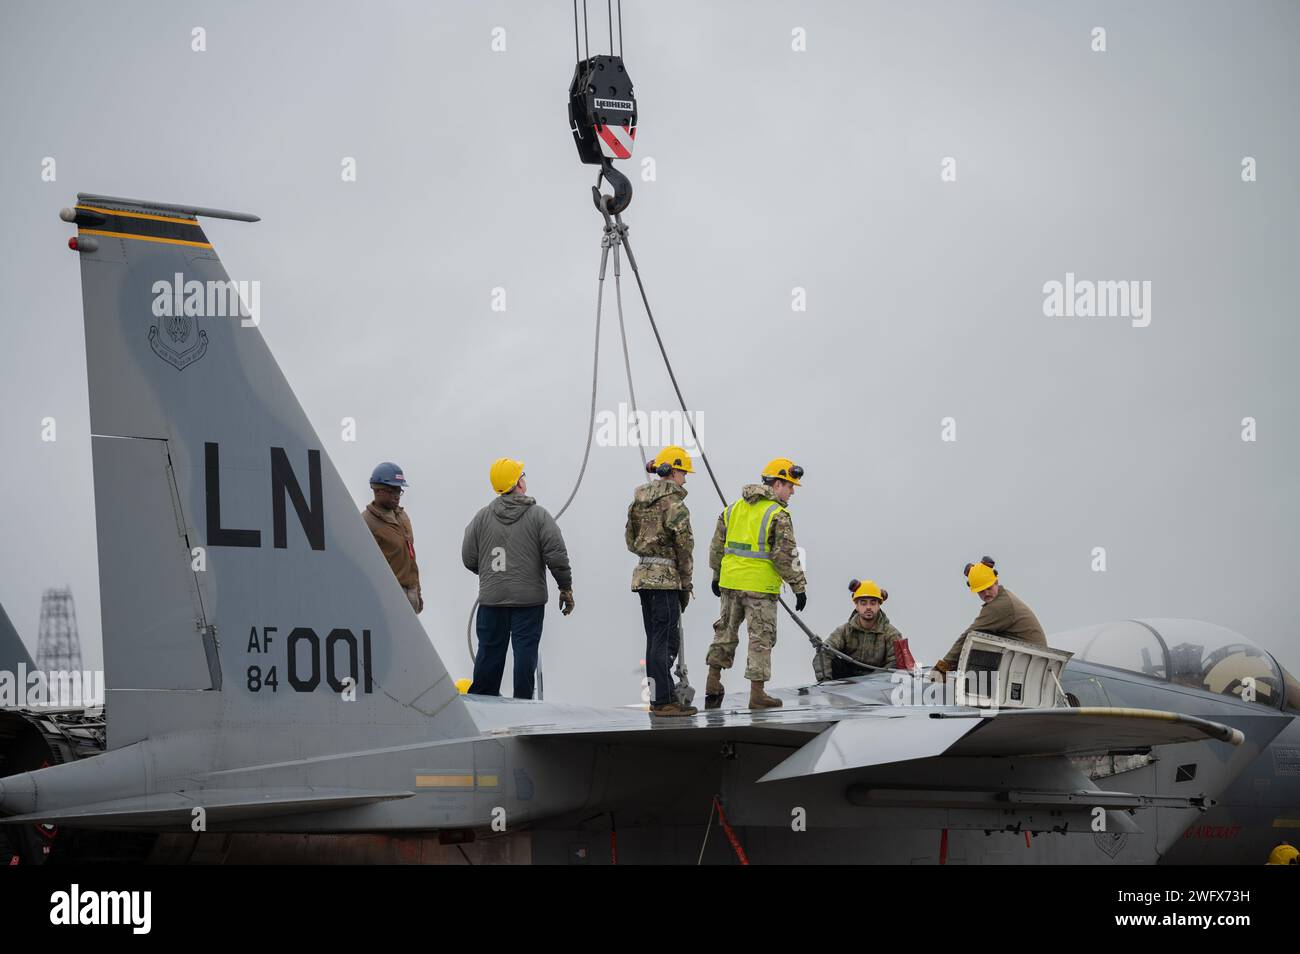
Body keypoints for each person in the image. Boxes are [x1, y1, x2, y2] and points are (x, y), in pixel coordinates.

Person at [463, 457, 574, 698]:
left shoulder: (481, 518)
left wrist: (493, 577)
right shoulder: (539, 516)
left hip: (492, 601)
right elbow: (557, 555)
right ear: (518, 484)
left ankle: (483, 701)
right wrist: (565, 587)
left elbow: (469, 558)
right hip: (528, 602)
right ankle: (523, 704)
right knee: (525, 653)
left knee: (489, 654)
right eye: (523, 475)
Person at [704, 457, 808, 709]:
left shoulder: (732, 509)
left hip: (730, 583)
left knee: (725, 633)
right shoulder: (778, 514)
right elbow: (786, 555)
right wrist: (799, 586)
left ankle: (713, 681)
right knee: (761, 639)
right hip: (759, 588)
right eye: (790, 485)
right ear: (776, 484)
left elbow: (716, 546)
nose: (793, 491)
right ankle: (757, 694)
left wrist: (716, 576)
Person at [626, 446, 698, 717]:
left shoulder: (637, 501)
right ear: (671, 471)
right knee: (665, 641)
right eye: (683, 472)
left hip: (643, 577)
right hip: (666, 581)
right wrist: (686, 584)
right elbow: (685, 548)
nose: (685, 479)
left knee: (653, 640)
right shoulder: (675, 505)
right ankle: (664, 701)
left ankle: (659, 697)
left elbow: (630, 540)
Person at [932, 556, 1047, 678]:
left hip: (1028, 664)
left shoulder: (999, 607)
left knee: (975, 644)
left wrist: (941, 668)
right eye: (981, 591)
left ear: (996, 582)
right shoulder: (1003, 597)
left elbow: (968, 636)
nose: (986, 594)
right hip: (1031, 661)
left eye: (989, 588)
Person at [362, 462, 422, 613]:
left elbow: (411, 556)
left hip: (411, 591)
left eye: (399, 490)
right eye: (392, 491)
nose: (397, 496)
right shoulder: (366, 523)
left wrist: (417, 591)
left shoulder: (402, 516)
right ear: (377, 490)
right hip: (389, 595)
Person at [814, 579, 903, 681]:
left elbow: (895, 664)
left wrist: (872, 680)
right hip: (847, 685)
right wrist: (825, 683)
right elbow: (825, 652)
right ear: (856, 605)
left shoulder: (892, 634)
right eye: (863, 603)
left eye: (873, 603)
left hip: (878, 687)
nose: (868, 607)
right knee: (825, 652)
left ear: (879, 606)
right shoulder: (844, 631)